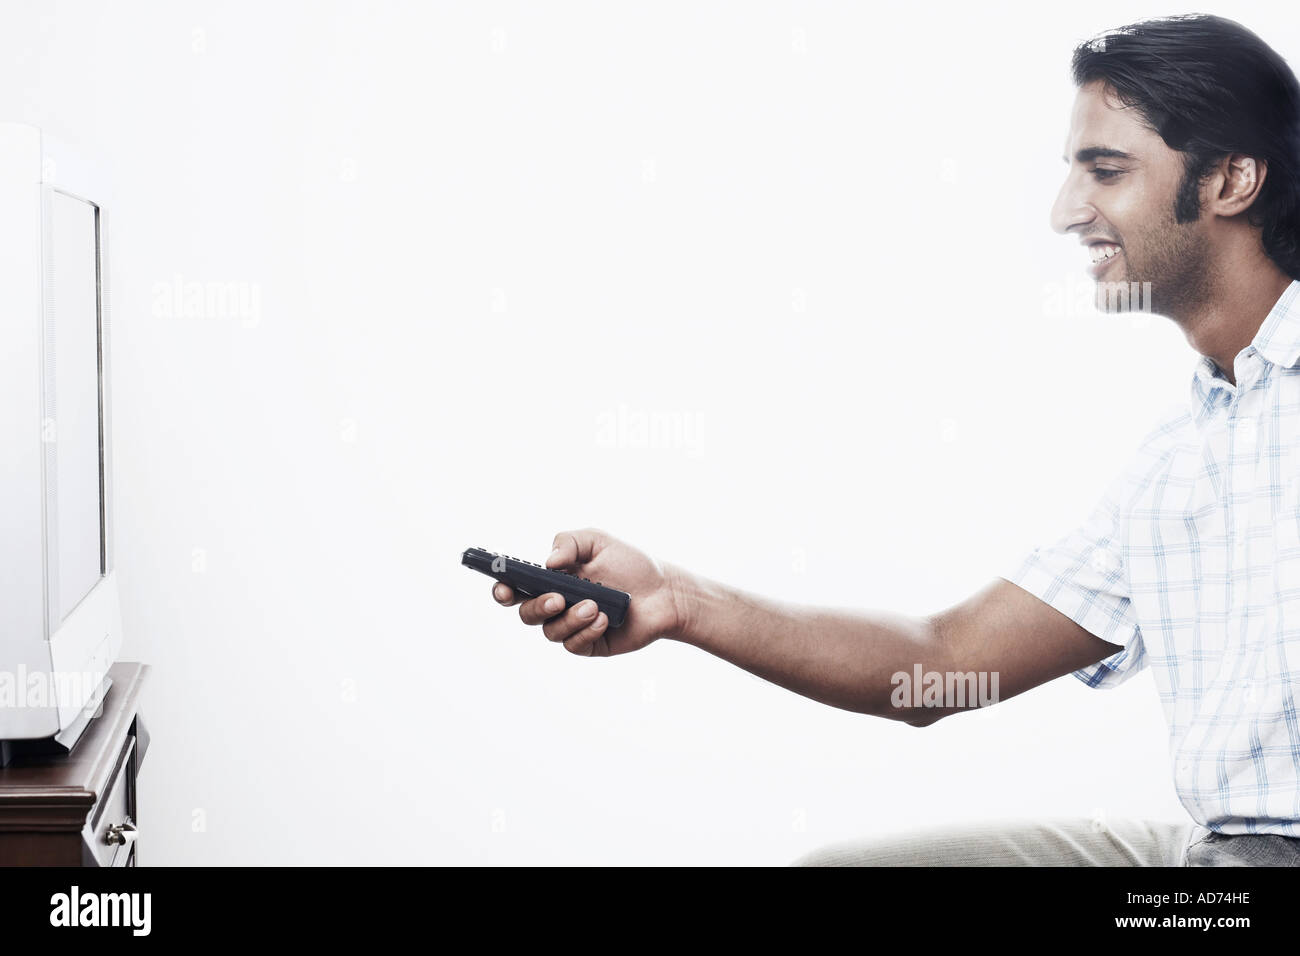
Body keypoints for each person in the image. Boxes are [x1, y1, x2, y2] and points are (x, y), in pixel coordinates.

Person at [488, 14, 1300, 866]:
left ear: (1231, 179)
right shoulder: (1179, 464)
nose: (1065, 213)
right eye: (1071, 172)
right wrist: (679, 602)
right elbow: (943, 663)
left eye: (1106, 171)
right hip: (1215, 854)